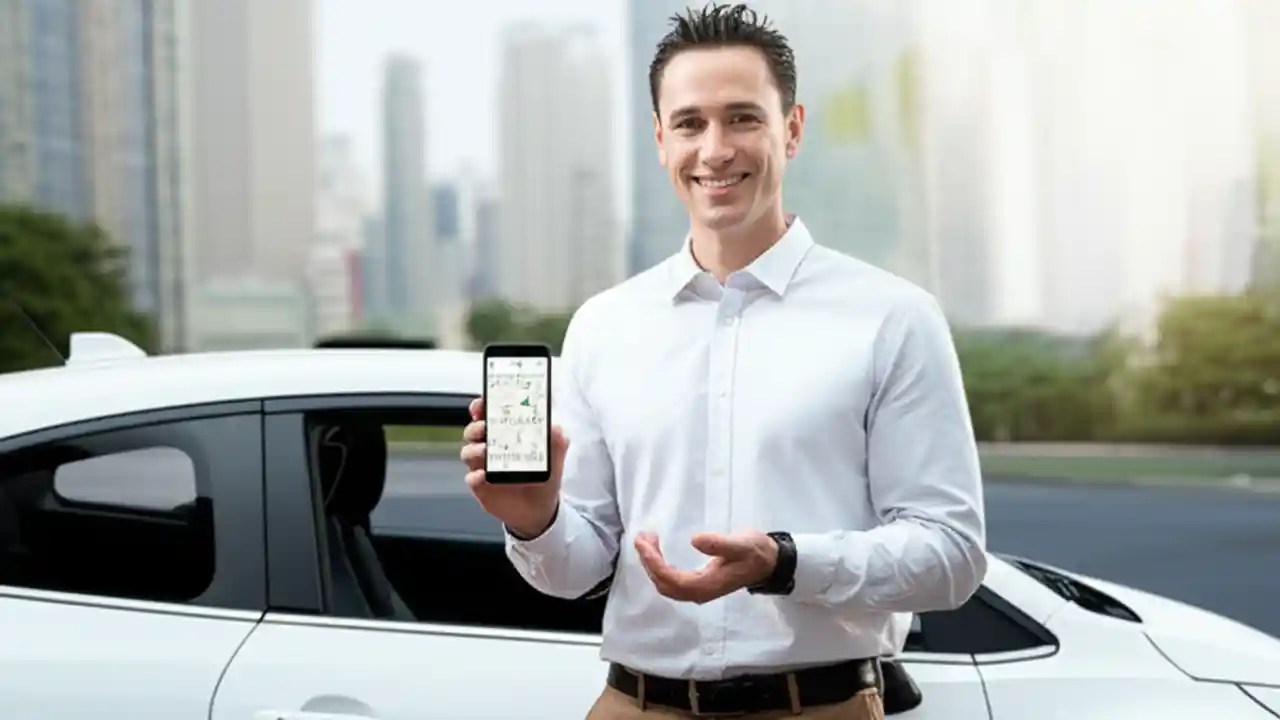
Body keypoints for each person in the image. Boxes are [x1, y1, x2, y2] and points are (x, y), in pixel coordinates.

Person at [460, 3, 987, 718]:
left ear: (791, 129)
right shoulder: (605, 326)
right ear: (659, 139)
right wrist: (535, 519)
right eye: (690, 123)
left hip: (818, 707)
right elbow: (573, 570)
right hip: (634, 704)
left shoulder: (892, 317)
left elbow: (950, 557)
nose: (715, 149)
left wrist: (786, 562)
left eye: (742, 118)